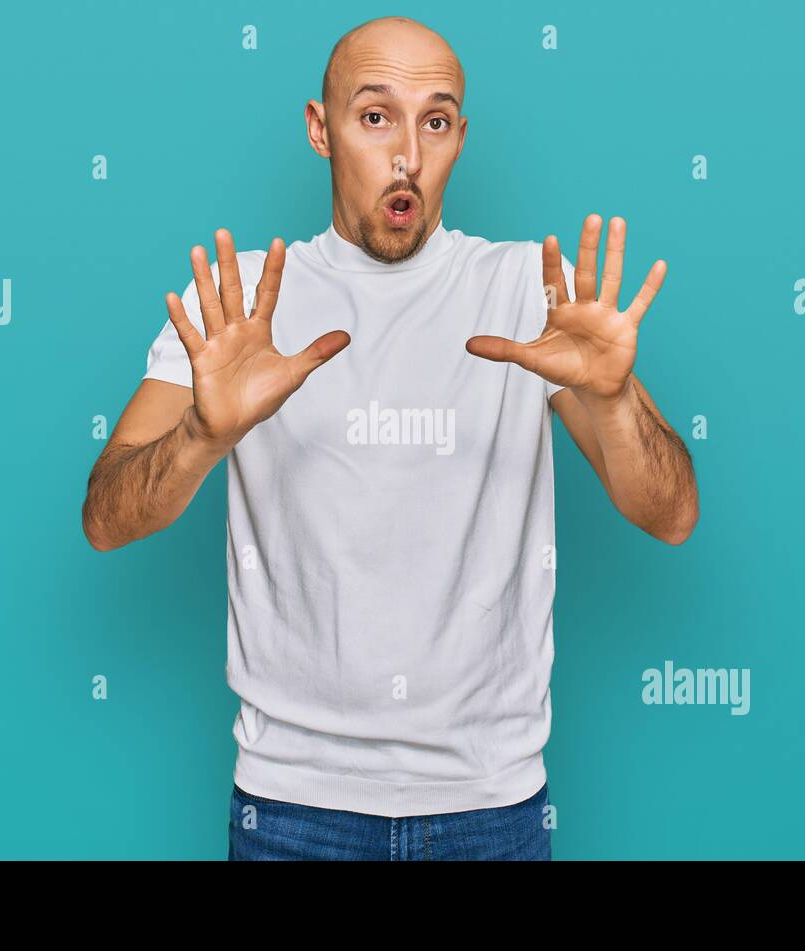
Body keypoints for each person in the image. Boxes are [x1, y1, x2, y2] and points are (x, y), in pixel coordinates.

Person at [81, 15, 699, 860]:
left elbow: (669, 515)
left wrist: (616, 395)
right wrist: (200, 431)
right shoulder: (239, 307)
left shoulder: (532, 291)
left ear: (459, 139)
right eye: (375, 116)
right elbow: (106, 519)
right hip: (291, 808)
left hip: (494, 805)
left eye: (435, 120)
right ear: (319, 128)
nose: (407, 153)